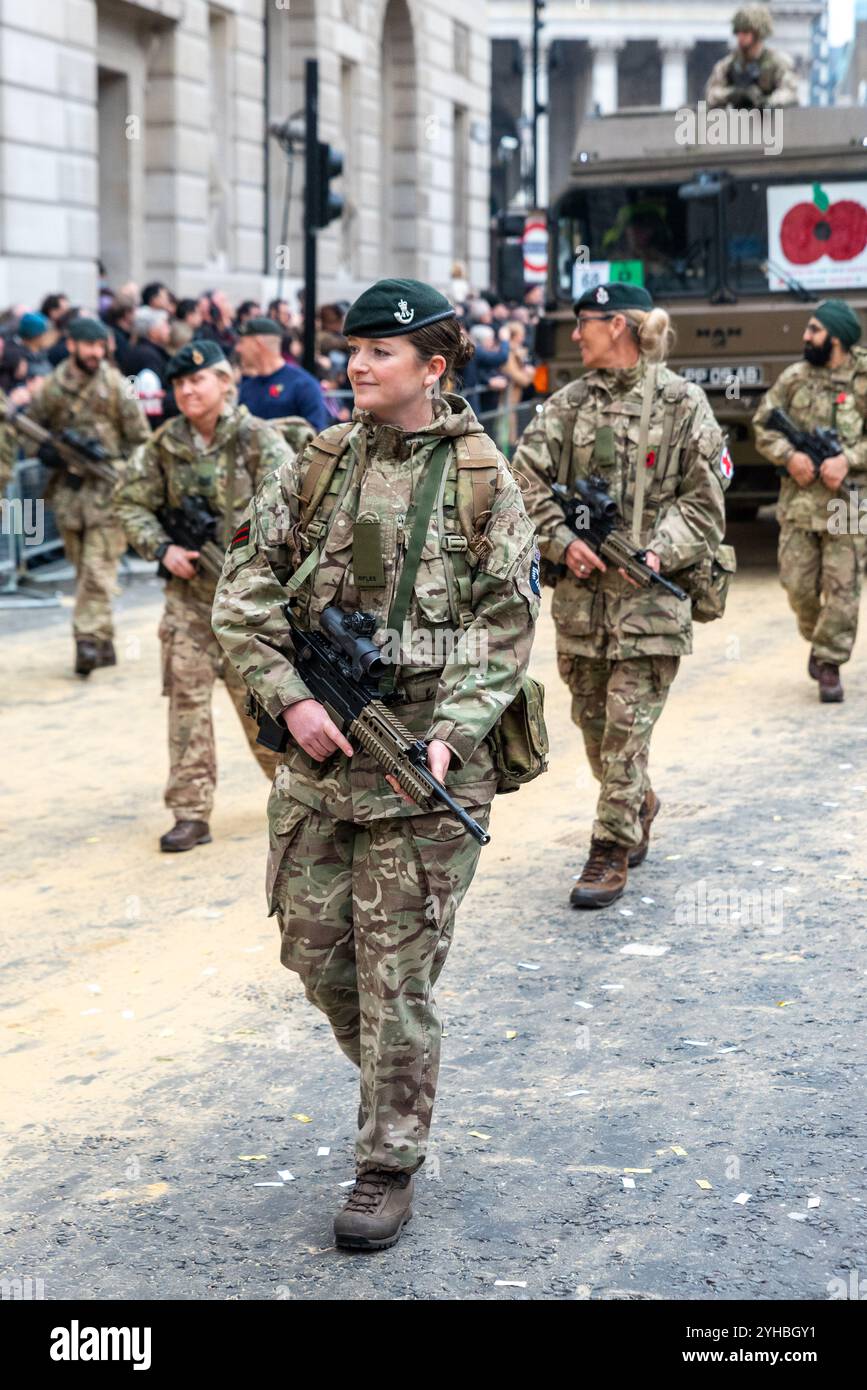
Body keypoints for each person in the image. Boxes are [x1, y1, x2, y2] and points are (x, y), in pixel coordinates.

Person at [212, 277, 539, 1251]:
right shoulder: (314, 463)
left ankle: (386, 1159)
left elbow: (505, 622)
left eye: (380, 352)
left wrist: (456, 728)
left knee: (398, 976)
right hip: (317, 761)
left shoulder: (483, 477)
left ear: (434, 367)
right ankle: (401, 1074)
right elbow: (245, 590)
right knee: (316, 951)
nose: (357, 364)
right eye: (352, 349)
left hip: (422, 771)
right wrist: (291, 695)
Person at [512, 283, 728, 909]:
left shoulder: (683, 404)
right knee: (591, 724)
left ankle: (609, 849)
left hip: (651, 604)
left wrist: (659, 549)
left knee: (625, 732)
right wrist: (558, 540)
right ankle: (638, 800)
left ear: (622, 326)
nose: (575, 335)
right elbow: (522, 476)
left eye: (585, 323)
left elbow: (704, 500)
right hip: (583, 603)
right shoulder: (567, 405)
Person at [114, 340, 294, 852]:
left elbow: (296, 508)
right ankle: (190, 813)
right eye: (179, 384)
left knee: (265, 706)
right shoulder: (164, 444)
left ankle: (295, 797)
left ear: (224, 382)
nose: (187, 391)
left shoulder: (258, 440)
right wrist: (162, 547)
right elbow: (128, 502)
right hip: (189, 602)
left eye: (197, 380)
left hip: (251, 606)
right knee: (187, 705)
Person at [753, 301, 867, 702]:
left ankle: (829, 663)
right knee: (798, 587)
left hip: (848, 506)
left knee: (843, 590)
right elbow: (763, 426)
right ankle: (821, 640)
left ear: (835, 337)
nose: (805, 336)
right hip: (800, 502)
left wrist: (847, 460)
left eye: (814, 330)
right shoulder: (793, 378)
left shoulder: (863, 378)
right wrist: (790, 456)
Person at [23, 317, 150, 673]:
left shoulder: (118, 385)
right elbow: (30, 430)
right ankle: (104, 641)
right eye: (89, 346)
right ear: (72, 345)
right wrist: (43, 451)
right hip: (68, 495)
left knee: (97, 570)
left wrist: (126, 474)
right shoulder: (52, 386)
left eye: (100, 346)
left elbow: (141, 441)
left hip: (109, 493)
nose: (96, 353)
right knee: (85, 572)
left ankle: (85, 642)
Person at [236, 316, 332, 433]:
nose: (238, 349)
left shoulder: (303, 385)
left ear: (258, 344)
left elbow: (317, 435)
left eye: (242, 342)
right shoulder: (247, 386)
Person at [705, 5, 798, 110]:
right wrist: (734, 94)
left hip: (772, 121)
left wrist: (767, 102)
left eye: (745, 32)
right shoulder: (728, 65)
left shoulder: (778, 62)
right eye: (738, 32)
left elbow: (790, 92)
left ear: (758, 34)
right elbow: (711, 95)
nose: (740, 37)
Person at [117, 306, 174, 428]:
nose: (169, 329)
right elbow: (150, 400)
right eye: (165, 325)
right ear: (153, 330)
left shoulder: (140, 351)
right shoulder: (149, 357)